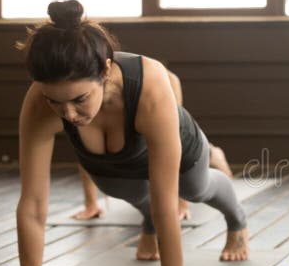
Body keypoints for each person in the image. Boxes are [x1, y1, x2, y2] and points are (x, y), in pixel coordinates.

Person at [0, 0, 249, 266]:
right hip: (114, 160)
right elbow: (32, 203)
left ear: (105, 71)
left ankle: (237, 219)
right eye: (55, 102)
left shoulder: (149, 83)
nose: (68, 114)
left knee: (195, 188)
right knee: (117, 188)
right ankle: (148, 223)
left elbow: (167, 200)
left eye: (79, 99)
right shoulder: (39, 103)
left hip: (180, 147)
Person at [72, 68, 234, 222]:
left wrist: (181, 203)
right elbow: (87, 154)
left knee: (190, 174)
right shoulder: (90, 96)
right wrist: (91, 204)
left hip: (181, 142)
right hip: (134, 148)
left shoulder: (166, 82)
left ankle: (214, 153)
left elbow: (177, 143)